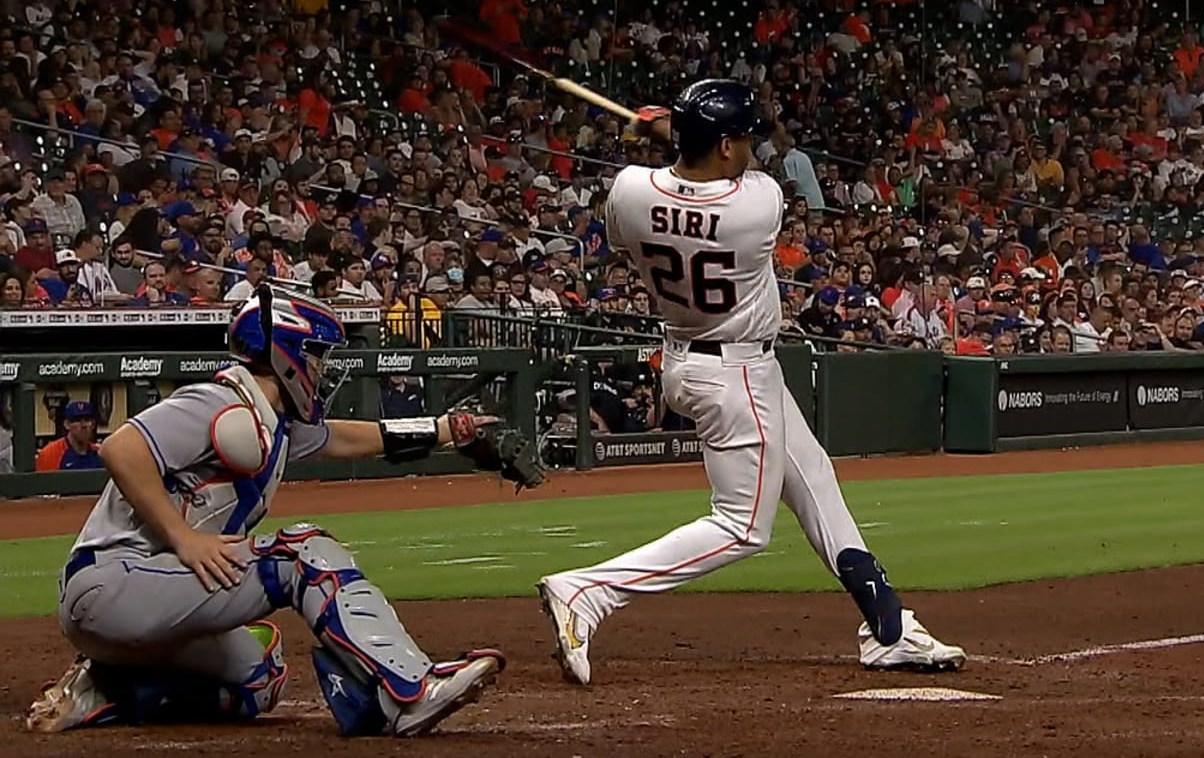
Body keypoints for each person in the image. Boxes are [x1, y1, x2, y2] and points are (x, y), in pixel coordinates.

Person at [535, 79, 964, 686]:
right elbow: (742, 171)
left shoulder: (628, 190)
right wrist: (671, 129)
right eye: (743, 139)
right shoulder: (755, 205)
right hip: (737, 372)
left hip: (688, 358)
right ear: (729, 145)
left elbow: (677, 180)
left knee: (813, 477)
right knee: (741, 527)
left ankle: (888, 627)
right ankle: (589, 592)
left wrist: (671, 136)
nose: (751, 148)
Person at [26, 287, 505, 736]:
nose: (323, 370)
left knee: (258, 680)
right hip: (113, 583)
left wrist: (446, 429)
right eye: (317, 356)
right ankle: (411, 690)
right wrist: (183, 537)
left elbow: (349, 438)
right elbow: (122, 448)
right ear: (286, 354)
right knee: (303, 553)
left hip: (146, 596)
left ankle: (106, 691)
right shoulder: (219, 401)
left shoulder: (271, 422)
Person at [36, 401, 104, 472]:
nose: (83, 425)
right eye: (77, 420)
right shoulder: (50, 454)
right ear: (66, 424)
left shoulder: (100, 454)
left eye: (87, 420)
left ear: (93, 425)